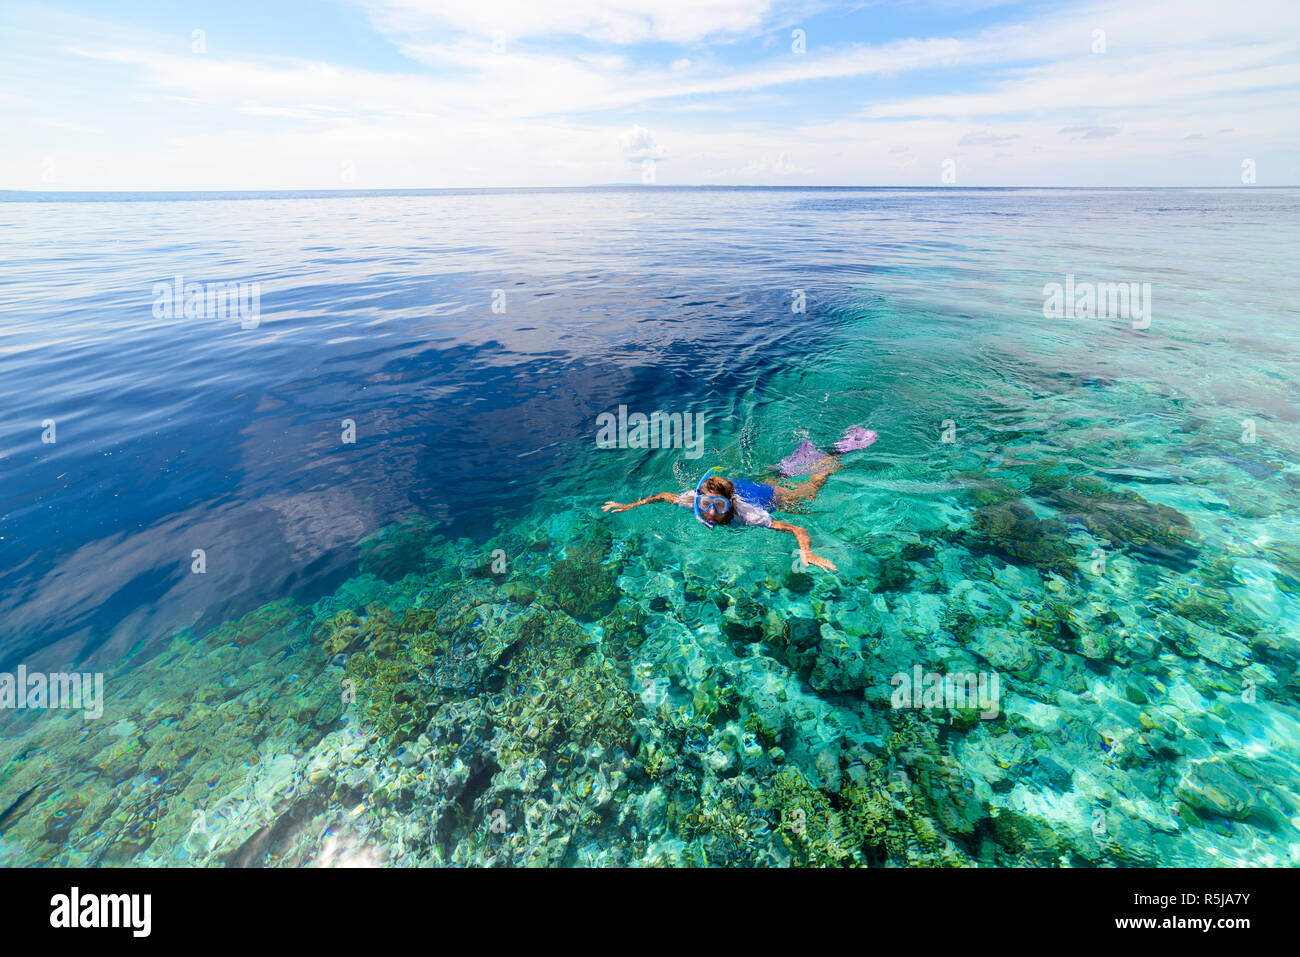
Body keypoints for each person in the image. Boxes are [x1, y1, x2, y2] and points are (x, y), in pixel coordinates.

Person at [601, 426, 878, 572]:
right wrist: (630, 506)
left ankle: (837, 453)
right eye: (705, 504)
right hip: (746, 486)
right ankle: (785, 469)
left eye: (718, 506)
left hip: (765, 497)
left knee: (808, 495)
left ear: (729, 504)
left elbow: (796, 528)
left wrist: (806, 551)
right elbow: (662, 495)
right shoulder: (692, 501)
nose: (710, 512)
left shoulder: (748, 516)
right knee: (776, 476)